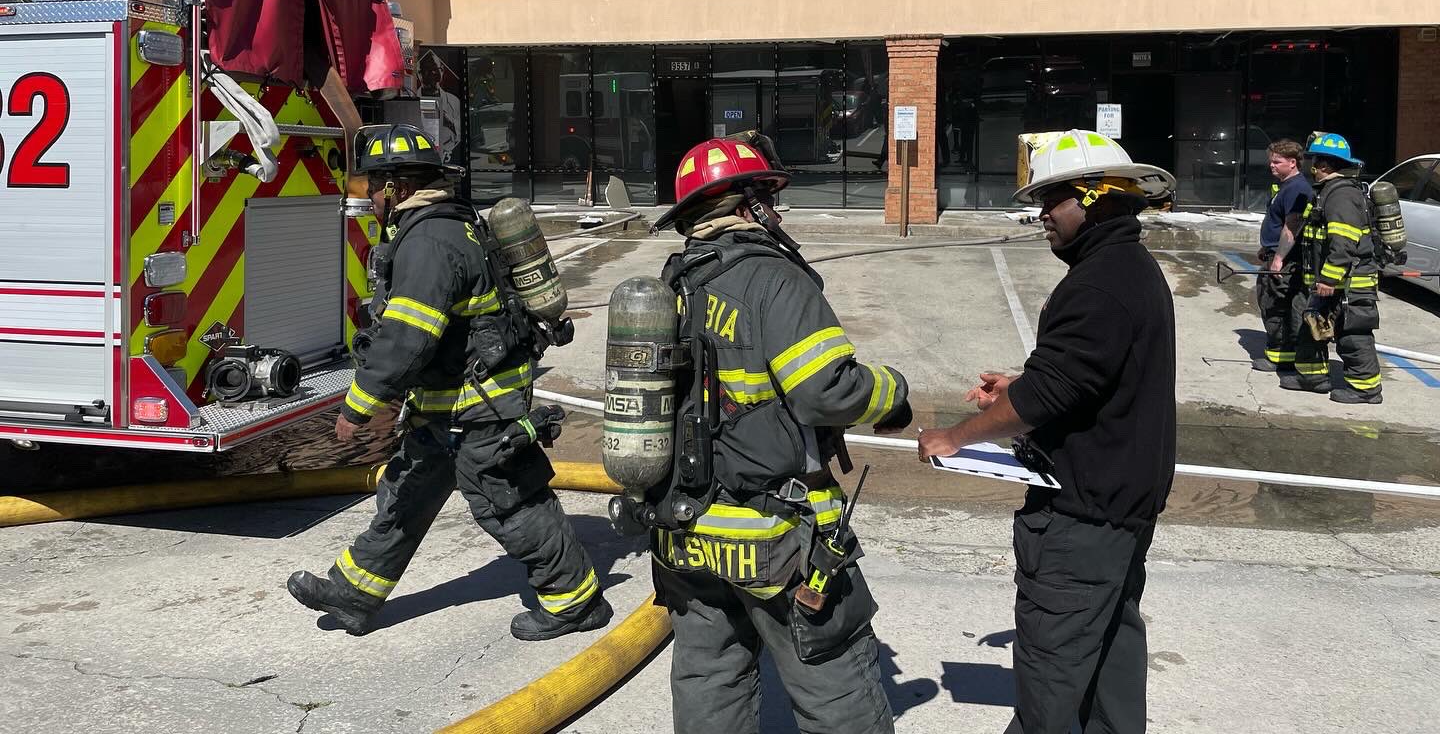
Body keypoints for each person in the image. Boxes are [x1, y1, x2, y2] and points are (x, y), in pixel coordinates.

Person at [287, 124, 611, 639]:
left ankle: (575, 602)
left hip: (482, 404)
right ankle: (355, 592)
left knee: (508, 501)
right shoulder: (442, 226)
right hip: (449, 400)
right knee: (408, 491)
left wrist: (357, 406)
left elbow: (405, 338)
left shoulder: (430, 243)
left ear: (394, 188)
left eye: (368, 187)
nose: (365, 198)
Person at [645, 134, 913, 734]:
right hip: (776, 535)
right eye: (771, 198)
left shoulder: (670, 287)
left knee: (707, 677)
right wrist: (893, 392)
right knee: (835, 680)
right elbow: (827, 391)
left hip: (686, 532)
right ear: (750, 204)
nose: (780, 212)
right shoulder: (774, 279)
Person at [917, 129, 1177, 734]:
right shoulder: (1129, 269)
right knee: (1110, 660)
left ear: (1094, 198)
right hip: (1122, 508)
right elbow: (1087, 379)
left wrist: (957, 436)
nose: (1042, 218)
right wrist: (1022, 385)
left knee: (1052, 684)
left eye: (1052, 202)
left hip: (1081, 519)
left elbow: (1052, 393)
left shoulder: (1097, 285)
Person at [1294, 132, 1383, 404]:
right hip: (1332, 280)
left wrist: (1330, 279)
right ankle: (1314, 379)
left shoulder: (1341, 196)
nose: (1312, 168)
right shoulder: (1329, 193)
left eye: (1316, 162)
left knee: (1352, 334)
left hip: (1350, 282)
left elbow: (1343, 243)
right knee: (1314, 325)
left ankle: (1366, 390)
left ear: (1326, 166)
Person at [1254, 139, 1314, 386]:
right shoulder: (1287, 186)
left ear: (1292, 162)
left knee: (1276, 305)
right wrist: (1266, 248)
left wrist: (1278, 258)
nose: (1272, 166)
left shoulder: (1297, 189)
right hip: (1275, 254)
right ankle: (1282, 356)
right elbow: (1278, 224)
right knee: (1275, 305)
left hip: (1286, 262)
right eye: (1271, 161)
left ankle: (1280, 357)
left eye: (1277, 162)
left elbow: (1292, 227)